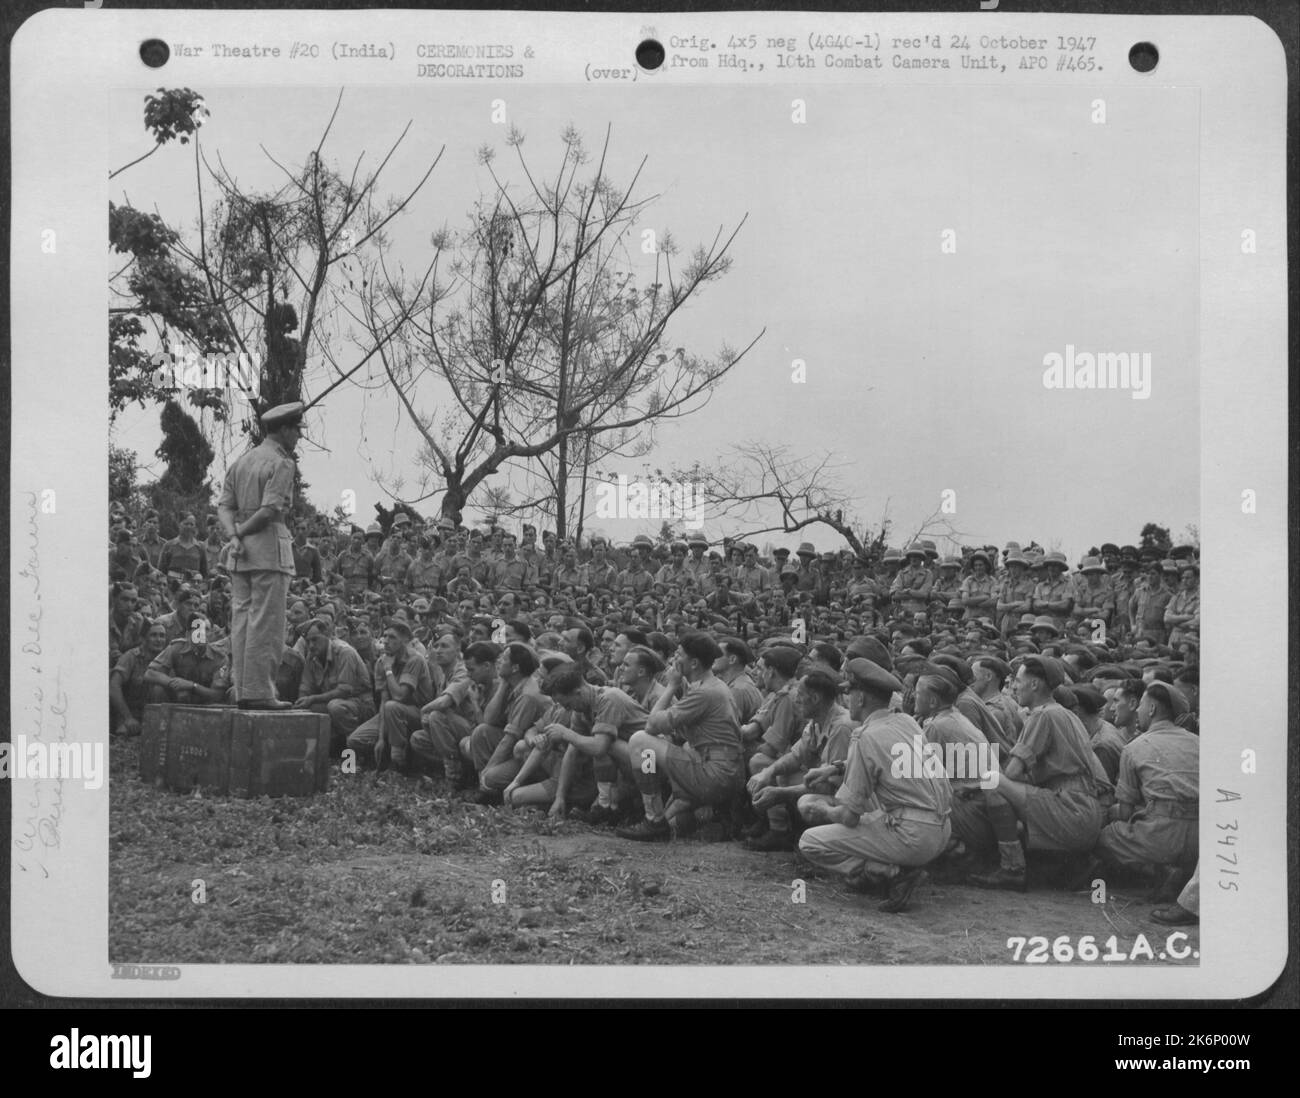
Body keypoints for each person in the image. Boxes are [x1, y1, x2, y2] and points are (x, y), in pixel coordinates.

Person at [797, 659, 952, 914]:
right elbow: (884, 760)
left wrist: (821, 809)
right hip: (941, 828)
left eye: (850, 693)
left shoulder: (864, 736)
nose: (846, 699)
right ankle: (895, 868)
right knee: (872, 805)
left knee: (810, 842)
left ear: (860, 699)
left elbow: (848, 817)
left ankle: (891, 872)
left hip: (912, 835)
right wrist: (835, 768)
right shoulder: (905, 721)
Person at [966, 656, 1106, 891]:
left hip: (1070, 810)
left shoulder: (1043, 714)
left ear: (1034, 684)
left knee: (992, 781)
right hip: (1085, 811)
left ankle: (1012, 868)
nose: (1014, 686)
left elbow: (1012, 773)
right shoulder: (1066, 713)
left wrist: (977, 782)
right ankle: (1071, 863)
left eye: (1019, 680)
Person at [616, 631, 744, 841]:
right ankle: (692, 819)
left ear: (693, 663)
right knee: (675, 819)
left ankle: (653, 819)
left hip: (715, 774)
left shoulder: (705, 692)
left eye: (679, 655)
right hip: (724, 770)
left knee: (640, 741)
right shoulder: (713, 685)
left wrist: (672, 685)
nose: (674, 660)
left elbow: (651, 726)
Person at [216, 401, 303, 709]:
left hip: (241, 554)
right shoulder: (282, 463)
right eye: (296, 430)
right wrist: (238, 534)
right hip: (267, 549)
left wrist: (234, 535)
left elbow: (224, 506)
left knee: (241, 622)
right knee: (266, 624)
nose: (298, 436)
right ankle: (260, 692)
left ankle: (243, 690)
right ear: (284, 430)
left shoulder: (242, 462)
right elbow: (269, 511)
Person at [1093, 682, 1199, 893]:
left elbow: (1125, 812)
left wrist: (1107, 812)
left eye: (1141, 705)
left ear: (1151, 709)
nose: (1139, 710)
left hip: (1162, 836)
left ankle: (1155, 871)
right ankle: (1181, 872)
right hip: (1200, 838)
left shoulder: (1134, 747)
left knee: (1105, 837)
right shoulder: (1198, 742)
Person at [745, 668, 855, 852]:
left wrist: (780, 793)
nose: (796, 700)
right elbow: (796, 756)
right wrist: (768, 773)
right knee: (769, 767)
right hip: (826, 787)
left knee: (805, 797)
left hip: (843, 800)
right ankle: (782, 832)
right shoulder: (817, 721)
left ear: (815, 698)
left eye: (801, 695)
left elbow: (830, 786)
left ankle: (823, 846)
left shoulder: (841, 727)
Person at [346, 619, 434, 771]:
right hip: (392, 713)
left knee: (393, 707)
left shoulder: (415, 659)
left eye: (392, 637)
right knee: (355, 740)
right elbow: (384, 700)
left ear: (405, 640)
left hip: (419, 714)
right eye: (385, 636)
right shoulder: (382, 661)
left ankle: (398, 760)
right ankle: (384, 754)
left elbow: (400, 696)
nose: (386, 641)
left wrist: (388, 669)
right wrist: (380, 738)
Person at [412, 640, 500, 785]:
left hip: (484, 737)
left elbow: (485, 728)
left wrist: (475, 703)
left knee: (437, 716)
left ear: (486, 666)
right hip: (468, 731)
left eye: (471, 670)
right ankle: (462, 768)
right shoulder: (471, 679)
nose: (469, 674)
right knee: (419, 738)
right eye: (436, 646)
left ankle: (454, 775)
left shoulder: (497, 687)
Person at [293, 617, 375, 754]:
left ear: (327, 635)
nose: (311, 645)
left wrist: (312, 698)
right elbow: (305, 687)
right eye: (308, 641)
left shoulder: (344, 652)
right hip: (335, 703)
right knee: (306, 710)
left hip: (360, 705)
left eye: (315, 639)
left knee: (335, 707)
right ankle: (330, 747)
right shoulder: (312, 656)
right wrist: (301, 703)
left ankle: (358, 747)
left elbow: (344, 690)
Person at [110, 621, 169, 735]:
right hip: (131, 714)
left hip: (158, 717)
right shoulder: (131, 657)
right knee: (123, 733)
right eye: (153, 635)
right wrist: (128, 717)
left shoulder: (167, 658)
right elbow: (114, 686)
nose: (158, 640)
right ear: (144, 638)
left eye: (162, 636)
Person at [158, 512, 208, 580]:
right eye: (186, 524)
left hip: (194, 585)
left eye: (191, 524)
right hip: (172, 585)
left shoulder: (200, 547)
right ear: (179, 525)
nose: (189, 527)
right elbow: (161, 571)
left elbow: (205, 573)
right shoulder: (169, 546)